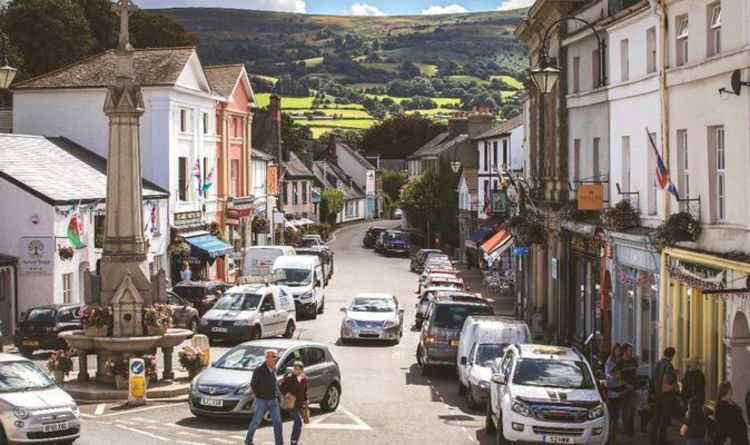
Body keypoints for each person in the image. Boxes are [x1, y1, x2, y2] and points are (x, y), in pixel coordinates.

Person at [244, 349, 283, 445]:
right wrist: (259, 396)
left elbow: (274, 382)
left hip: (273, 399)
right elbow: (253, 385)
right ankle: (248, 440)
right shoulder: (259, 370)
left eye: (276, 357)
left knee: (277, 422)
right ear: (267, 357)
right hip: (262, 400)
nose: (275, 359)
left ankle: (279, 443)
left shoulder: (273, 369)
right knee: (256, 421)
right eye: (273, 357)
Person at [650, 347, 680, 445]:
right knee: (664, 419)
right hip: (666, 396)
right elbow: (670, 380)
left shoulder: (657, 364)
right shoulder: (668, 365)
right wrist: (675, 374)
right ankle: (661, 440)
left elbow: (653, 377)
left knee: (656, 418)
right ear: (672, 355)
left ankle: (652, 439)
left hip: (657, 394)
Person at [279, 361, 309, 445]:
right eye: (295, 368)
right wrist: (286, 393)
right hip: (291, 404)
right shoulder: (289, 378)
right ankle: (294, 440)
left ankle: (294, 440)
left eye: (298, 369)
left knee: (298, 422)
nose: (296, 370)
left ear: (302, 370)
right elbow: (281, 387)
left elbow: (305, 391)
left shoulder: (304, 378)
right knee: (298, 421)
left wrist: (306, 400)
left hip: (299, 404)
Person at [619, 343, 638, 436]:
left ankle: (631, 427)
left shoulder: (634, 360)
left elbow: (636, 373)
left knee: (633, 409)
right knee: (625, 410)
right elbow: (618, 376)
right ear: (624, 352)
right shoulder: (620, 362)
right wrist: (626, 385)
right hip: (624, 390)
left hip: (633, 388)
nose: (631, 353)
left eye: (631, 351)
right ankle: (626, 429)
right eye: (629, 351)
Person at [607, 366, 629, 441]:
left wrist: (622, 392)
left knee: (615, 418)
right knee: (610, 418)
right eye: (617, 374)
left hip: (618, 401)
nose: (618, 375)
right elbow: (604, 390)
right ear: (613, 374)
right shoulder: (609, 381)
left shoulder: (621, 381)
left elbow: (627, 388)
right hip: (610, 402)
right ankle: (608, 433)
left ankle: (613, 433)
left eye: (619, 374)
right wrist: (606, 399)